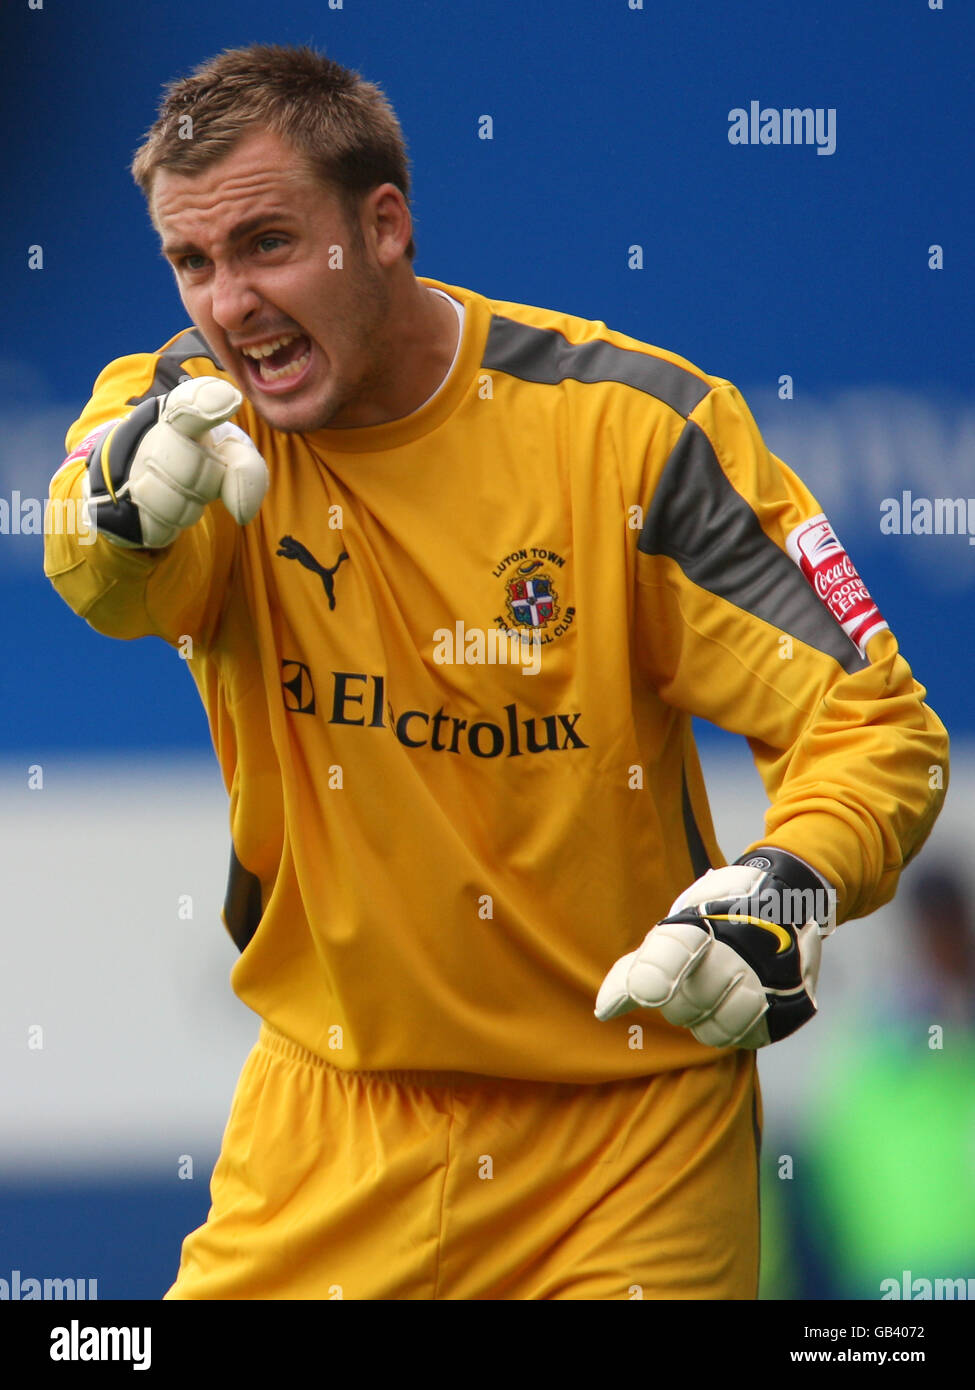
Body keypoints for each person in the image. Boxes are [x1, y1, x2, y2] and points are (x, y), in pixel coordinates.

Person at [44, 43, 948, 1301]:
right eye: (192, 263)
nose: (228, 304)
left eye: (266, 244)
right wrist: (109, 513)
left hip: (630, 1143)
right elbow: (111, 565)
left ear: (386, 226)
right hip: (328, 1130)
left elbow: (872, 721)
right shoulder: (191, 420)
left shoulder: (636, 435)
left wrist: (789, 884)